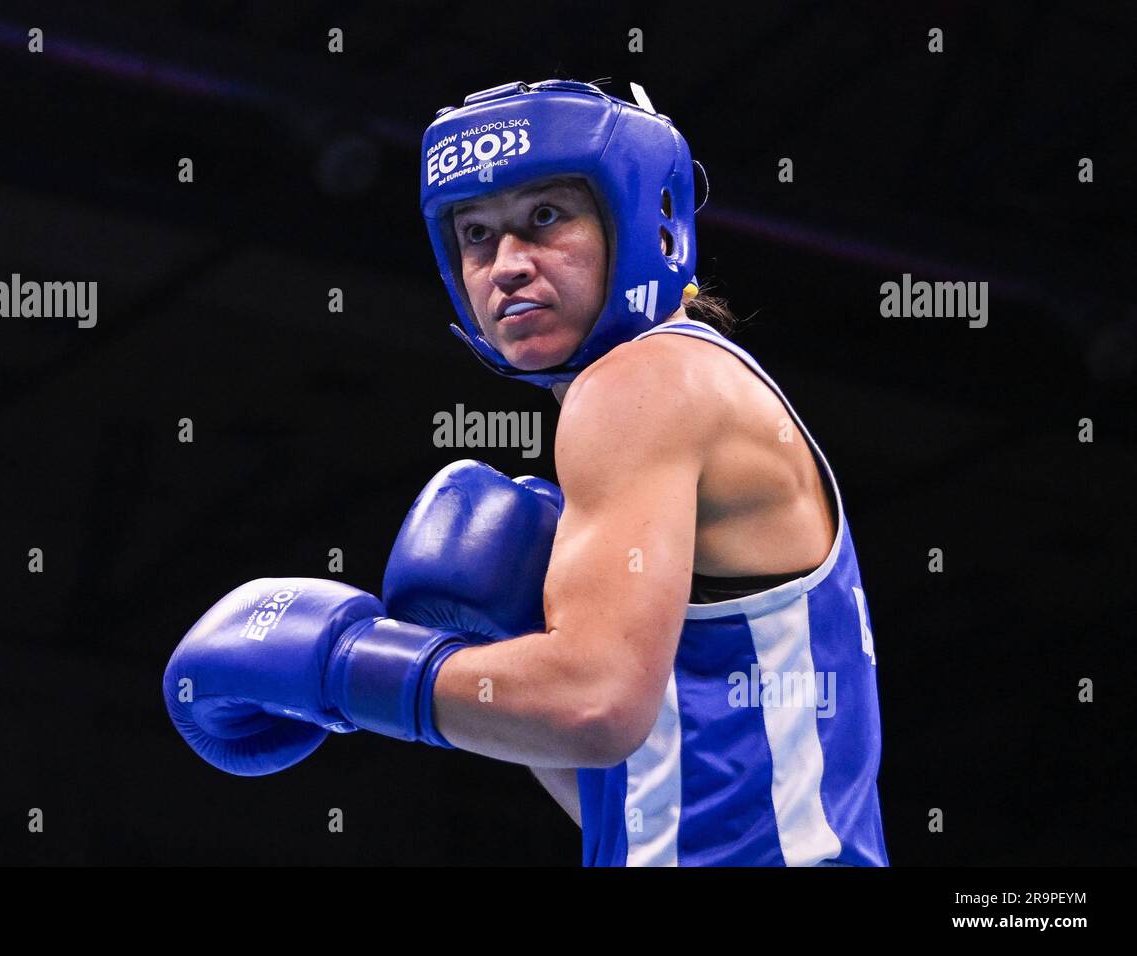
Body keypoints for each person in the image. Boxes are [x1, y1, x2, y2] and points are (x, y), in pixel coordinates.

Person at [163, 79, 888, 867]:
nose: (506, 265)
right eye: (476, 234)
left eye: (545, 218)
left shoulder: (641, 385)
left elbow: (594, 705)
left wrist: (343, 668)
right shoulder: (692, 390)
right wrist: (500, 653)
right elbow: (640, 795)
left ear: (649, 222)